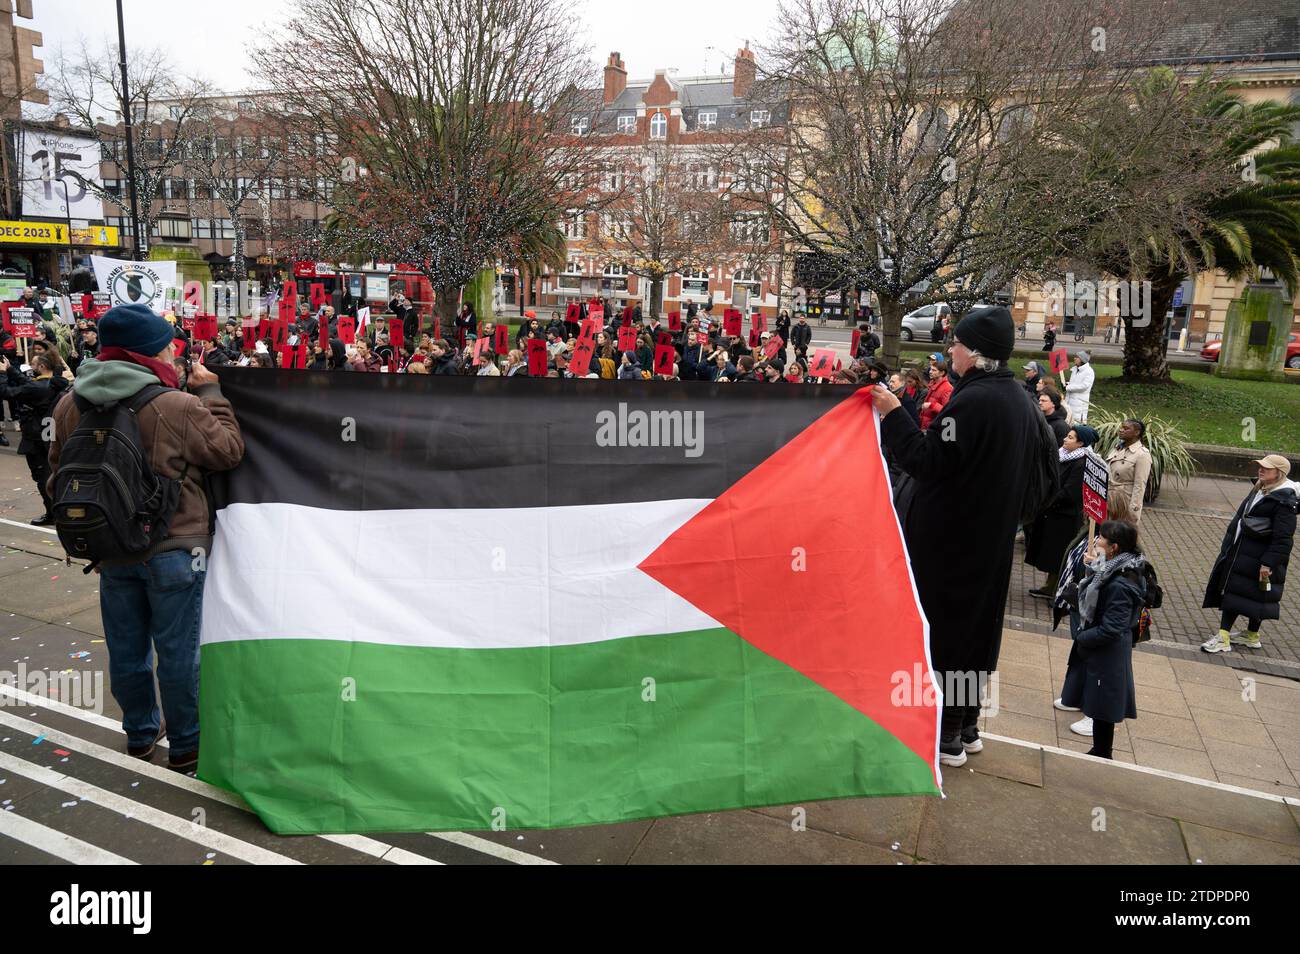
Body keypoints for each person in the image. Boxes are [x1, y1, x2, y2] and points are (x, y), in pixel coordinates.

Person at [46, 303, 244, 770]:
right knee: (179, 652)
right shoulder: (178, 405)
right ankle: (188, 745)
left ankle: (138, 734)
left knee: (127, 648)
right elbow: (228, 451)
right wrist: (212, 390)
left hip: (110, 548)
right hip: (176, 549)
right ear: (148, 351)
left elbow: (57, 476)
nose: (173, 349)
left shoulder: (69, 403)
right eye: (165, 343)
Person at [871, 305, 1052, 767]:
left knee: (946, 635)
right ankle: (966, 726)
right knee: (977, 633)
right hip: (986, 543)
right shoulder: (1017, 399)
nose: (949, 350)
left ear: (973, 353)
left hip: (952, 546)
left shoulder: (975, 401)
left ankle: (945, 734)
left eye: (955, 343)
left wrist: (893, 412)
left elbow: (927, 460)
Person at [1055, 520, 1146, 758]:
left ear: (1114, 547)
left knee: (1103, 706)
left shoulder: (1120, 584)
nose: (1096, 542)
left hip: (1108, 654)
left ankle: (1103, 753)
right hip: (1105, 652)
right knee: (1100, 704)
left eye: (1101, 539)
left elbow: (1112, 627)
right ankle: (1100, 749)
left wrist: (1084, 636)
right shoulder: (1113, 569)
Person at [1201, 455, 1298, 653]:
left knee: (1236, 592)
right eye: (1260, 466)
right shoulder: (1261, 488)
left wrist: (1268, 563)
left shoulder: (1283, 501)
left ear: (1279, 473)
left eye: (1266, 468)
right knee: (1256, 595)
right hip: (1243, 551)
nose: (1261, 470)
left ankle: (1223, 637)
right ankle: (1251, 635)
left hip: (1258, 557)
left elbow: (1283, 538)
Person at [1026, 425, 1098, 598]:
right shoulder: (1064, 456)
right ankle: (1050, 587)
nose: (1065, 439)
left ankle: (1058, 591)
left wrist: (1046, 497)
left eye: (1071, 438)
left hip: (1064, 517)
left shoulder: (1081, 463)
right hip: (1053, 513)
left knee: (1059, 555)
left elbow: (1070, 493)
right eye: (1067, 436)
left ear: (1081, 443)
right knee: (1052, 554)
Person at [0, 352, 69, 524]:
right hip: (50, 432)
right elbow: (29, 385)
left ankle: (53, 514)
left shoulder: (38, 388)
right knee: (53, 471)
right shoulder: (54, 383)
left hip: (36, 436)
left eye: (33, 364)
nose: (30, 367)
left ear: (42, 367)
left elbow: (6, 392)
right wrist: (10, 370)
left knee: (42, 476)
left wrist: (1, 374)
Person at [1106, 418, 1153, 525]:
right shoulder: (1118, 448)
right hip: (1110, 499)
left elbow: (1140, 485)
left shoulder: (1142, 455)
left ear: (1137, 433)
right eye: (1121, 427)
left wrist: (1133, 511)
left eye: (1126, 428)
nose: (1121, 430)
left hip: (1124, 503)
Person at [918, 359, 952, 431]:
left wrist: (931, 405)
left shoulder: (947, 388)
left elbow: (947, 411)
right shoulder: (932, 384)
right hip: (925, 426)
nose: (930, 372)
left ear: (942, 373)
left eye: (934, 370)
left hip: (934, 428)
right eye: (930, 369)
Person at [1063, 351, 1095, 423]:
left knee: (1077, 423)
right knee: (1067, 421)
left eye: (1077, 357)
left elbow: (1084, 386)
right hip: (1069, 401)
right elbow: (1075, 383)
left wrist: (1068, 387)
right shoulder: (1075, 369)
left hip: (1080, 404)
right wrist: (1067, 384)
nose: (1074, 358)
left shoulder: (1089, 371)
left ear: (1082, 359)